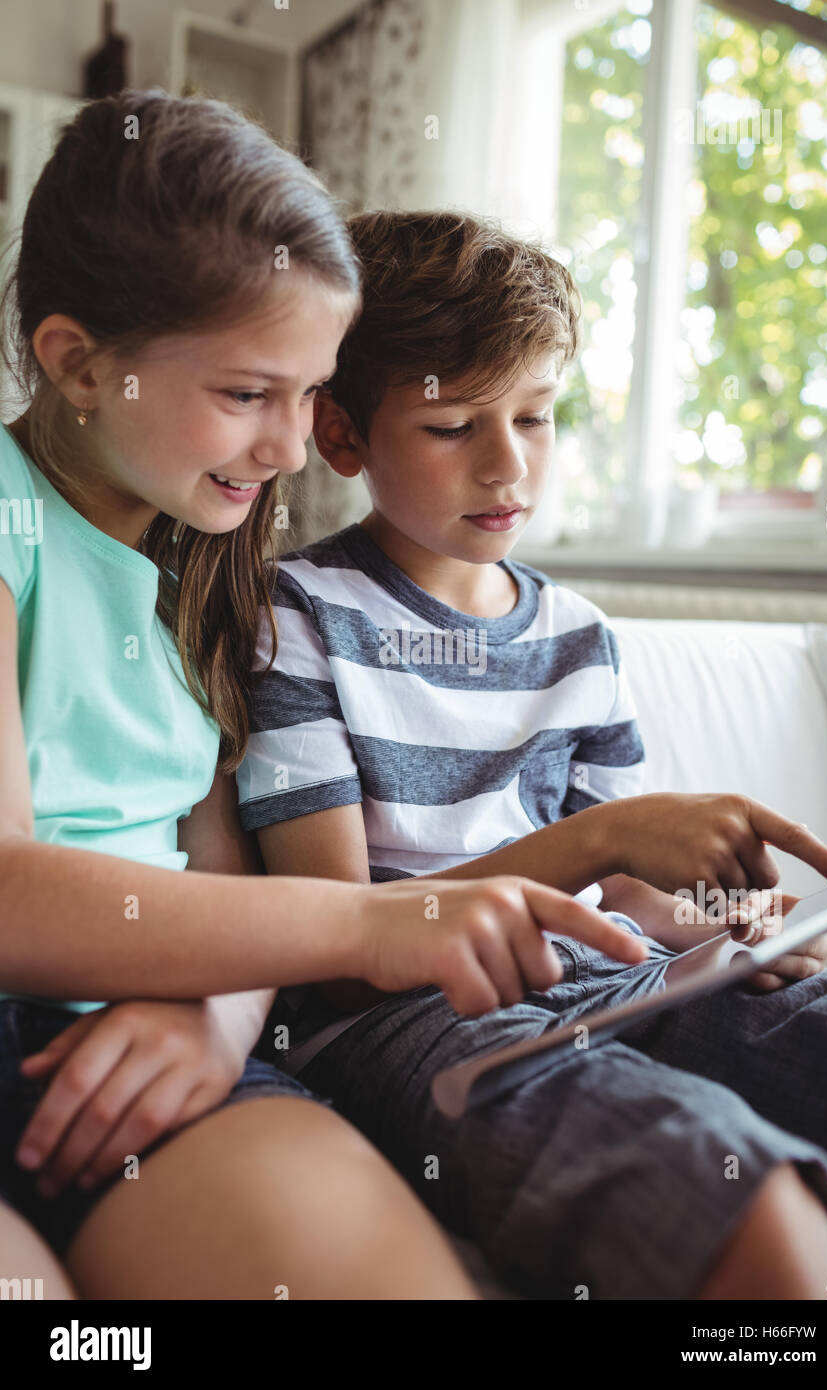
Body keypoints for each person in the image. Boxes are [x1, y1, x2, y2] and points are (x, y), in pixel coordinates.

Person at [0, 95, 621, 1301]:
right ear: (78, 363)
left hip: (160, 1028)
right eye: (247, 394)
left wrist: (219, 1022)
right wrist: (367, 924)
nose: (293, 446)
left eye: (311, 391)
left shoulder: (216, 562)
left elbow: (218, 866)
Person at [235, 209, 827, 1300]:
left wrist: (727, 919)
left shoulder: (576, 634)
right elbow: (334, 940)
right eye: (452, 428)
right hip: (406, 1016)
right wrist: (602, 837)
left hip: (620, 977)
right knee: (705, 1172)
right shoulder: (293, 614)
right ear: (342, 436)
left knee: (826, 1024)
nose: (505, 464)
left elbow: (626, 896)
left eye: (535, 417)